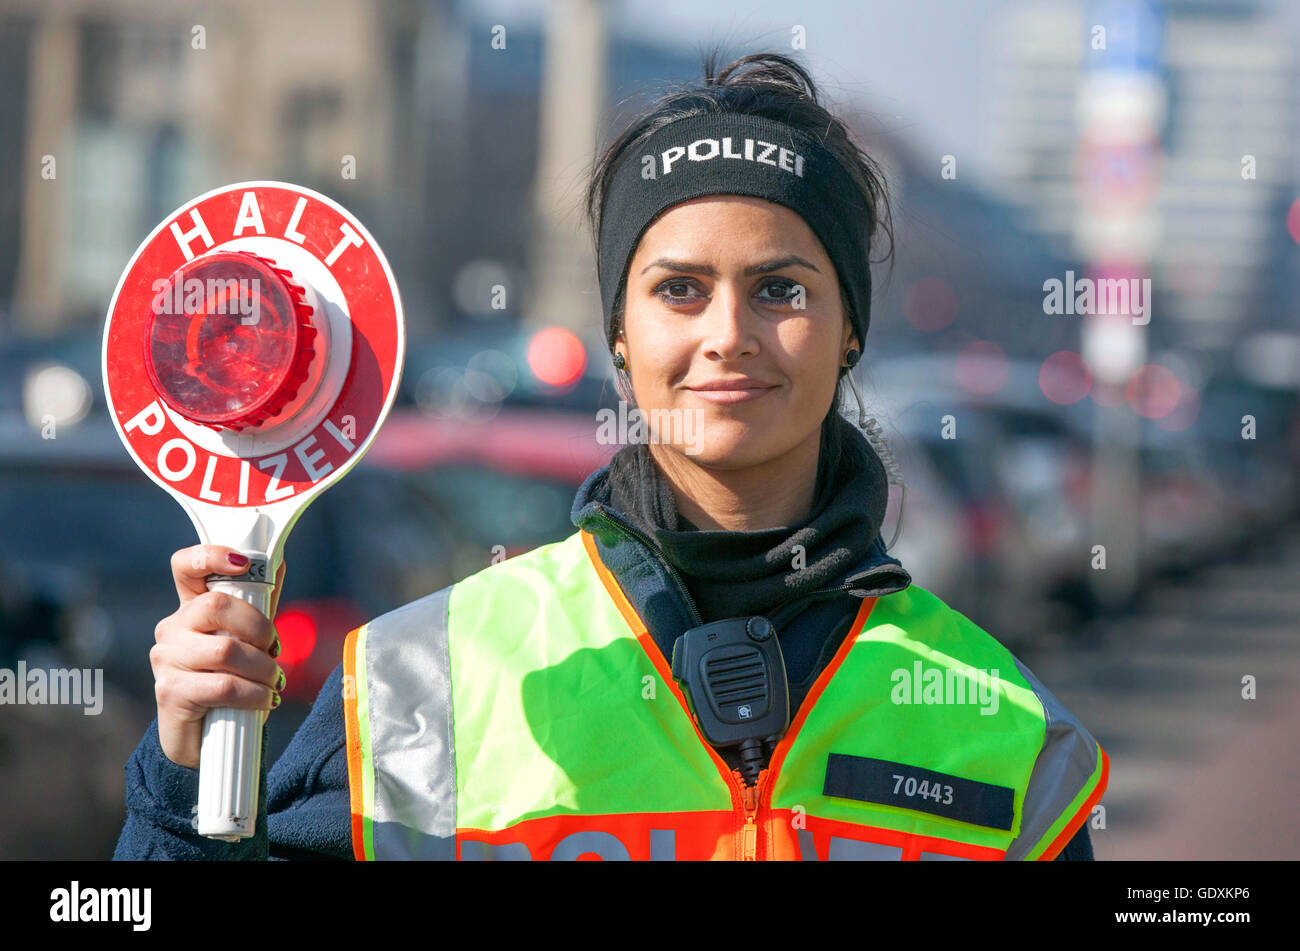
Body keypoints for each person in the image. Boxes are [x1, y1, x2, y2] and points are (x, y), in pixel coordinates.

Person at [116, 50, 1106, 861]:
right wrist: (188, 771)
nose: (729, 334)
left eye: (782, 290)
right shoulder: (417, 684)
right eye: (678, 289)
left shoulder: (1007, 731)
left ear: (850, 328)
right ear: (620, 334)